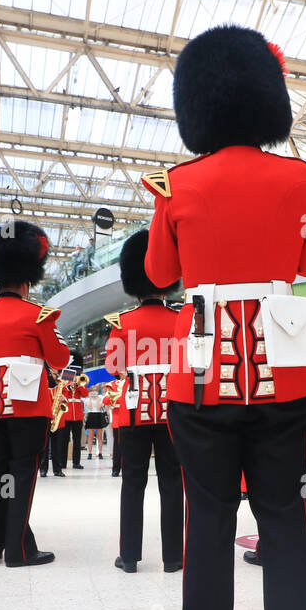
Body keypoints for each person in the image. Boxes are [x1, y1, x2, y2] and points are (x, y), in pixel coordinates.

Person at [131, 25, 306, 610]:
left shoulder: (176, 185)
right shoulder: (302, 179)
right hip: (285, 376)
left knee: (207, 526)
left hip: (204, 378)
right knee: (286, 527)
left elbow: (158, 274)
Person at [0, 220, 71, 567]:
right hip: (26, 407)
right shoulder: (36, 315)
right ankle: (18, 550)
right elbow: (58, 359)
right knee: (22, 473)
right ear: (28, 279)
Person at [104, 229, 184, 574]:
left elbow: (112, 366)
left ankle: (131, 556)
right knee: (172, 482)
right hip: (172, 413)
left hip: (134, 413)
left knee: (133, 483)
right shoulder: (181, 319)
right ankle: (173, 557)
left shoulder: (122, 322)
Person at [83, 387, 107, 458]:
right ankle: (89, 453)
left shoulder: (101, 398)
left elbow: (99, 407)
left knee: (99, 436)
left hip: (99, 415)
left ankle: (100, 453)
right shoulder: (87, 399)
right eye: (92, 391)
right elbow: (89, 407)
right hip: (91, 416)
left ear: (97, 391)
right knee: (90, 436)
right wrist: (90, 398)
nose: (94, 392)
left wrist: (97, 398)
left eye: (95, 391)